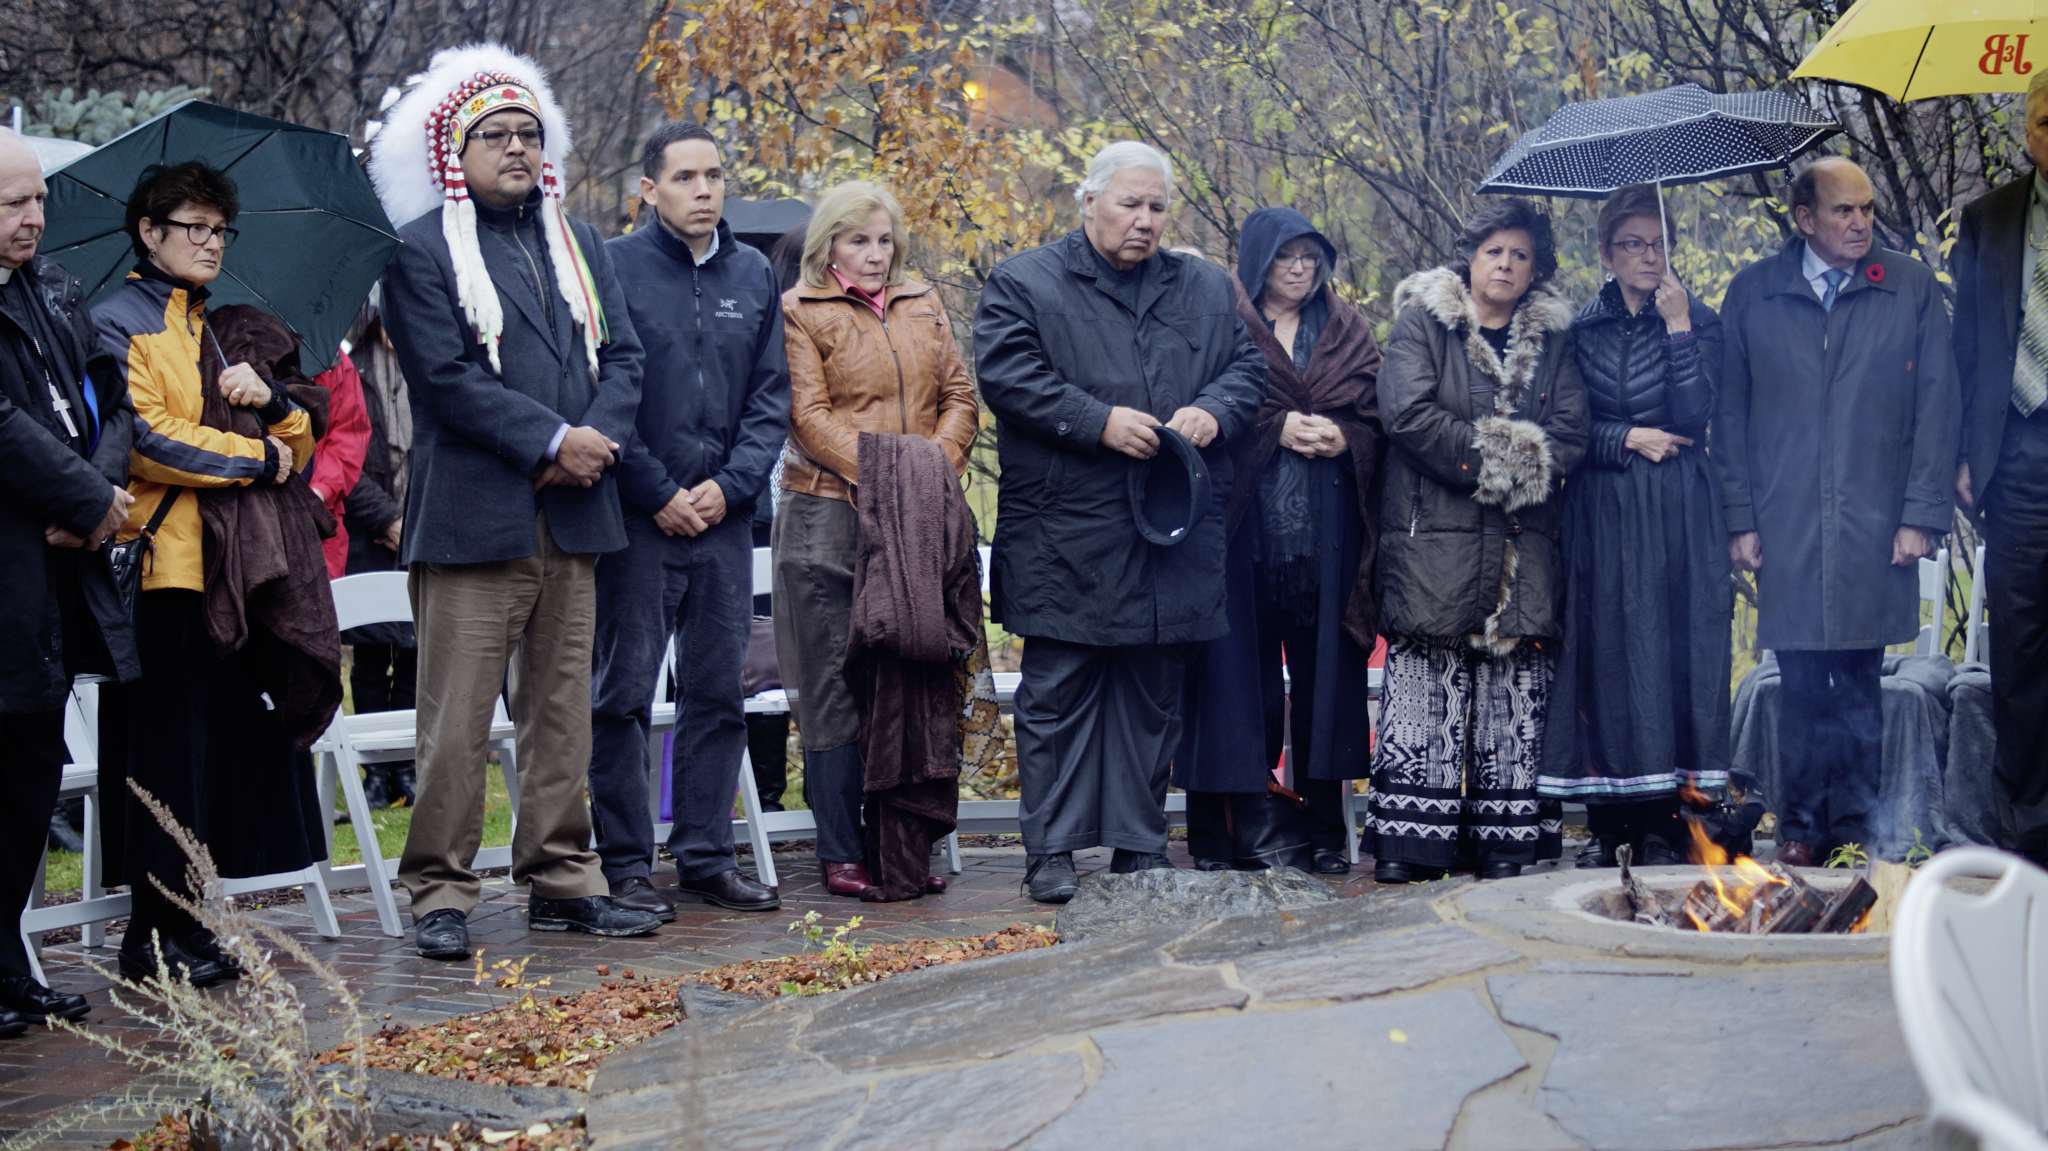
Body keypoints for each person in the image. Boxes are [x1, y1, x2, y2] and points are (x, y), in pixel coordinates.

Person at [369, 44, 658, 960]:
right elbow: (446, 380)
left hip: (574, 513)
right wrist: (549, 441)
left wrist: (592, 442)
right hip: (473, 516)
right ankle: (440, 888)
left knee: (561, 707)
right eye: (495, 134)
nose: (517, 148)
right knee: (455, 718)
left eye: (529, 133)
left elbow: (626, 359)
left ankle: (562, 877)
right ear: (455, 149)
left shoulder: (576, 244)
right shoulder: (418, 252)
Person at [974, 141, 1266, 903]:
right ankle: (1054, 850)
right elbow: (1006, 374)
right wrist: (1095, 420)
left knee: (1150, 692)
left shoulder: (1204, 285)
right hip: (1063, 528)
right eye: (1130, 204)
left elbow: (1249, 370)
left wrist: (1213, 411)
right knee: (1057, 695)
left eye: (1157, 207)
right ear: (1089, 202)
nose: (1144, 221)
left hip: (1166, 528)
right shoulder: (1025, 281)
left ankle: (1140, 842)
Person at [93, 161, 330, 984]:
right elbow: (145, 440)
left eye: (218, 229)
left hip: (229, 574)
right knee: (160, 757)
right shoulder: (117, 321)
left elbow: (299, 447)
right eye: (191, 227)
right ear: (147, 232)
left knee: (204, 758)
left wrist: (270, 405)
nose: (209, 242)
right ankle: (153, 938)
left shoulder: (218, 326)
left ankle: (191, 926)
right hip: (160, 569)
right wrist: (256, 454)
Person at [1719, 157, 1958, 866]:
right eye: (1844, 211)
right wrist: (1741, 518)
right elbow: (1729, 416)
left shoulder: (1907, 287)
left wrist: (1920, 513)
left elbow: (1936, 408)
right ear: (1803, 219)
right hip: (1786, 515)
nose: (1861, 223)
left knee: (1858, 675)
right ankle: (1798, 824)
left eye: (1866, 209)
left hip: (1874, 514)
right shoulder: (1755, 293)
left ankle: (1855, 826)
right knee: (1796, 679)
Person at [590, 121, 787, 918]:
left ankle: (706, 853)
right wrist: (658, 490)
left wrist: (730, 487)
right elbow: (602, 389)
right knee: (624, 693)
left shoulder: (753, 273)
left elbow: (771, 398)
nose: (705, 190)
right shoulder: (612, 267)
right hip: (640, 519)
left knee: (718, 692)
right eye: (686, 178)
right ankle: (628, 864)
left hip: (725, 521)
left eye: (714, 176)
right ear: (649, 188)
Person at [1366, 198, 1587, 884]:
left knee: (1511, 698)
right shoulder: (1424, 324)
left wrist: (1527, 464)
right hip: (1433, 539)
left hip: (1524, 550)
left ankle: (1504, 841)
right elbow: (1406, 412)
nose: (1506, 264)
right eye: (1495, 251)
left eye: (1521, 255)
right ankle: (1412, 842)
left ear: (1535, 268)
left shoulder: (1554, 343)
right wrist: (1507, 462)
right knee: (1426, 689)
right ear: (1471, 256)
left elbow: (1573, 431)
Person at [773, 181, 979, 898]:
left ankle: (901, 844)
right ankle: (840, 849)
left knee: (911, 676)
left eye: (885, 239)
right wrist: (897, 473)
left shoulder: (923, 306)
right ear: (828, 244)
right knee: (838, 682)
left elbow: (959, 397)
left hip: (917, 516)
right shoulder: (800, 312)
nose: (873, 253)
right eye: (858, 239)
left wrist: (926, 471)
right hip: (827, 516)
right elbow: (808, 415)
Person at [1177, 207, 1381, 874]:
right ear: (1257, 261)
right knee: (1236, 683)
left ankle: (1324, 830)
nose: (1299, 268)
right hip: (1244, 534)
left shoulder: (1348, 329)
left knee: (1327, 687)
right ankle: (1225, 829)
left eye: (1310, 256)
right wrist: (1276, 427)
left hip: (1326, 538)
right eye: (1286, 256)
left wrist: (1345, 436)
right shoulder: (1226, 322)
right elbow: (1209, 402)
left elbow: (1382, 413)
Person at [1540, 185, 1731, 867]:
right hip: (1604, 507)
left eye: (1658, 244)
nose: (1648, 257)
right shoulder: (1576, 328)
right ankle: (1610, 822)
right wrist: (1625, 437)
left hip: (1679, 509)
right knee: (1608, 652)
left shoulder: (1697, 318)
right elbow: (1562, 424)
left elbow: (1697, 414)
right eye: (1632, 244)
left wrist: (1678, 329)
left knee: (1674, 652)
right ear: (1605, 252)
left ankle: (1671, 821)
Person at [0, 126, 131, 1030]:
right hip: (9, 561)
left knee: (31, 772)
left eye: (38, 198)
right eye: (14, 202)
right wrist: (84, 493)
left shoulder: (50, 289)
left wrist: (104, 487)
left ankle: (8, 957)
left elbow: (107, 392)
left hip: (58, 571)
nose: (33, 216)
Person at [1953, 70, 2048, 868]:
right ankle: (2025, 832)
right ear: (2027, 129)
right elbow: (1966, 347)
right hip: (2016, 452)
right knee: (2018, 645)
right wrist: (1959, 450)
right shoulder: (1988, 219)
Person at [340, 310, 416, 808]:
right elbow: (341, 453)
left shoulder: (428, 363)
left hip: (426, 532)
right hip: (370, 535)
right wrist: (388, 520)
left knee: (415, 654)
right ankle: (375, 771)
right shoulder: (350, 369)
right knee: (370, 659)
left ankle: (407, 768)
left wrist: (417, 523)